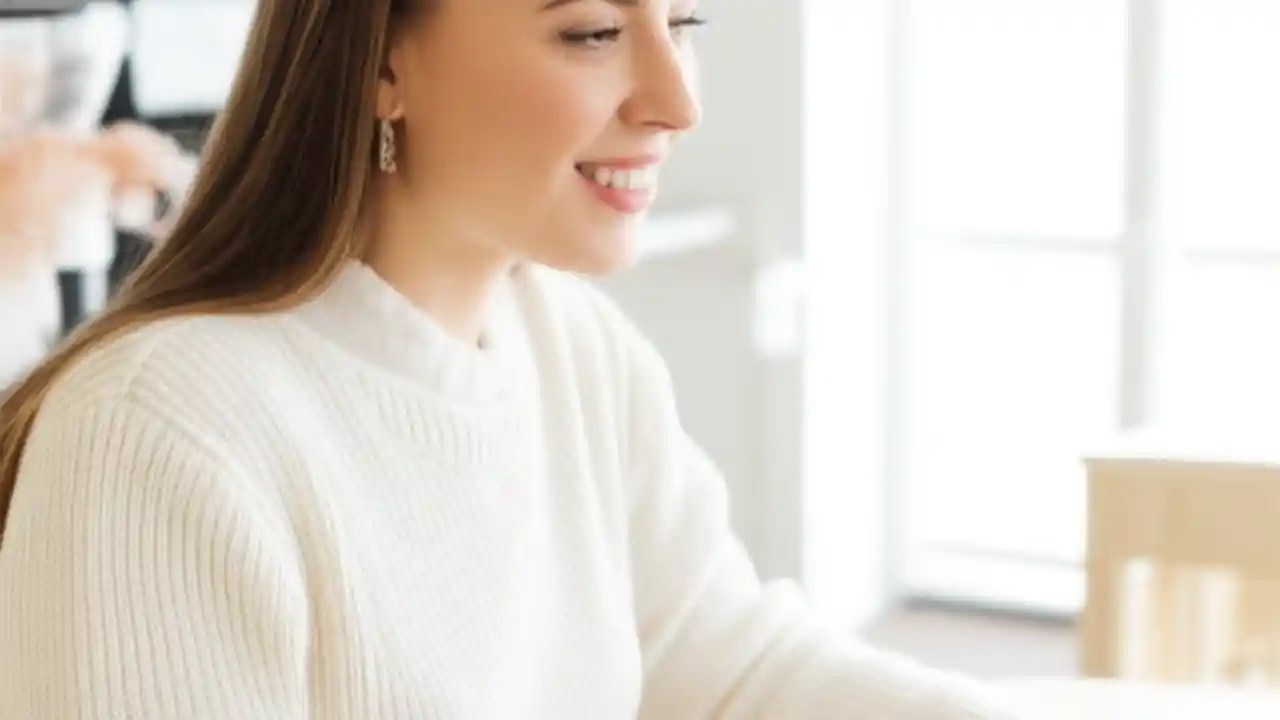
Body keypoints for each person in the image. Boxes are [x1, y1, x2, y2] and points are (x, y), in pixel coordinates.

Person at [0, 1, 1022, 717]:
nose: (676, 99)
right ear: (379, 61)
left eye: (683, 25)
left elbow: (731, 674)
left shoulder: (575, 354)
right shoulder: (156, 434)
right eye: (592, 33)